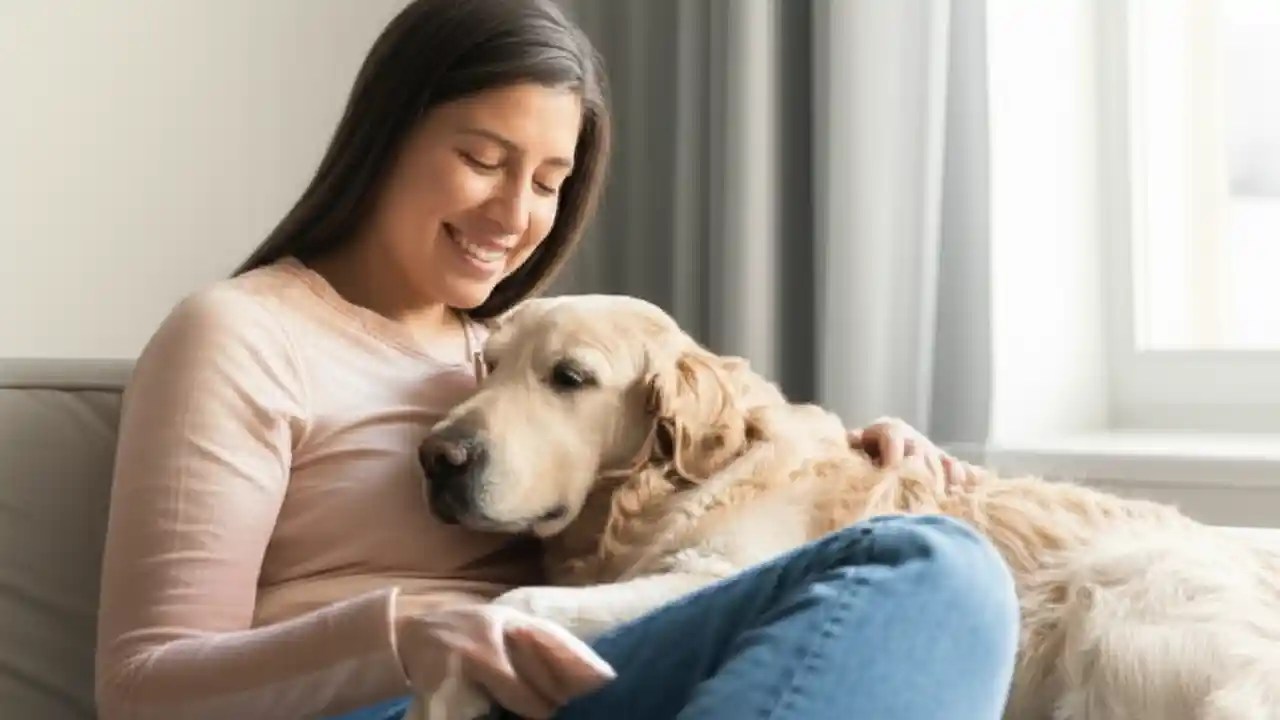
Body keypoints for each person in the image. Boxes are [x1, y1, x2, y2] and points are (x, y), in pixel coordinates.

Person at [93, 1, 1018, 718]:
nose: (514, 218)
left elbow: (679, 505)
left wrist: (839, 456)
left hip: (574, 683)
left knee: (938, 562)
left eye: (547, 181)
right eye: (483, 159)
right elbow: (141, 685)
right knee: (929, 566)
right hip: (401, 703)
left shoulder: (517, 349)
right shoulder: (242, 333)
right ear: (387, 137)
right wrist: (406, 632)